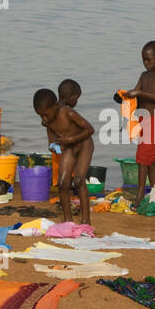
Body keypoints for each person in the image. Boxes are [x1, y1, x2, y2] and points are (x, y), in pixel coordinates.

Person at [118, 41, 155, 199]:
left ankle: (140, 195)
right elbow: (136, 92)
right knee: (148, 159)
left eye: (149, 59)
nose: (146, 63)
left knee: (142, 159)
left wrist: (140, 94)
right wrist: (127, 96)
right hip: (143, 119)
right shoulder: (144, 75)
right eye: (144, 59)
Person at [34, 88, 94, 225]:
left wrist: (71, 139)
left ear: (55, 106)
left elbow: (90, 130)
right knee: (62, 183)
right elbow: (50, 131)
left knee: (79, 180)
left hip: (84, 144)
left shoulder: (68, 113)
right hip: (68, 147)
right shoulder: (47, 120)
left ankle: (86, 221)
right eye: (40, 116)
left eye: (46, 115)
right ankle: (68, 220)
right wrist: (51, 145)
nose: (44, 119)